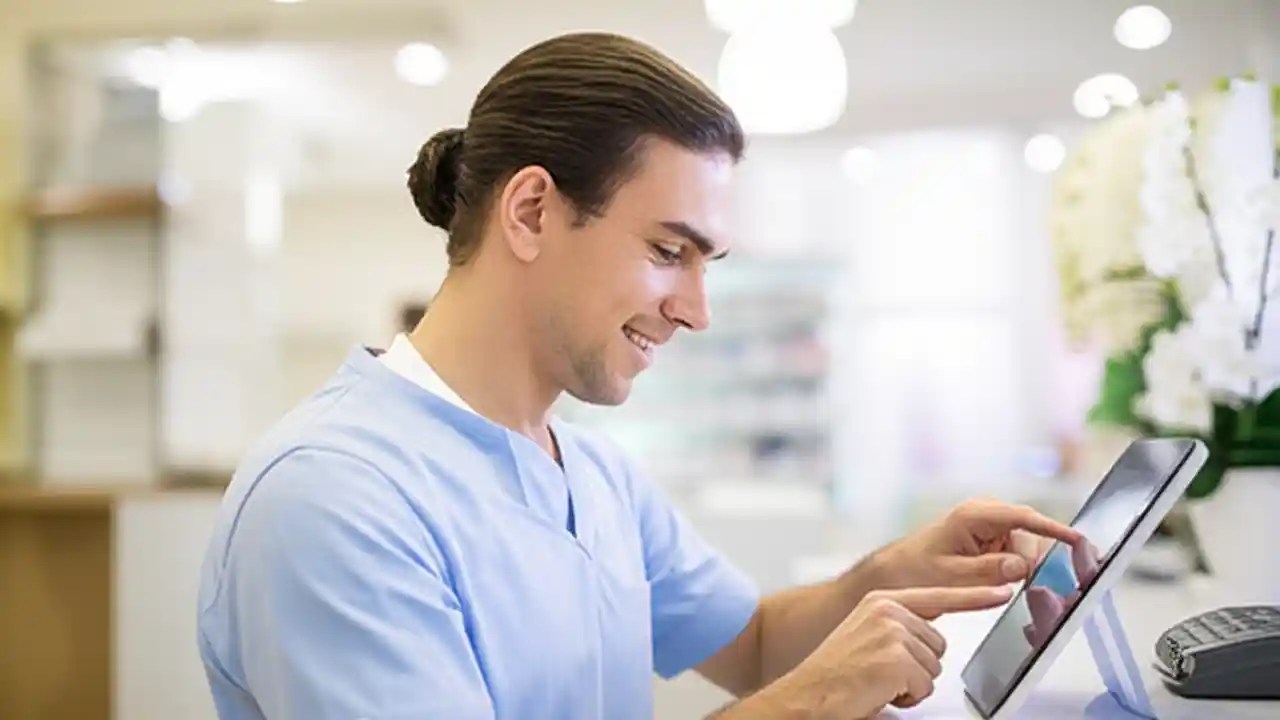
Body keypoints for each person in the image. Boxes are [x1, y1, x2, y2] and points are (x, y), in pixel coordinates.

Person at [196, 32, 1081, 720]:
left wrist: (890, 571)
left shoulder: (590, 474)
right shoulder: (334, 498)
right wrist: (806, 703)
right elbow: (783, 684)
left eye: (709, 264)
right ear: (533, 210)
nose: (696, 310)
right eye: (668, 252)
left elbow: (755, 641)